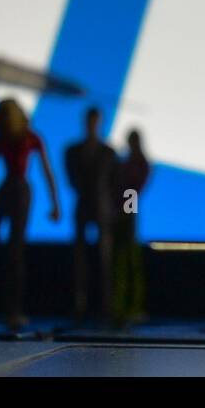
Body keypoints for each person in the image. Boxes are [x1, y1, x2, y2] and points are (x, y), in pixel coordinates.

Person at [0, 99, 60, 328]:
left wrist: (56, 205)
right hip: (5, 189)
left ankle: (13, 312)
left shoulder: (32, 138)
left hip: (21, 192)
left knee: (15, 252)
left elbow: (47, 172)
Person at [65, 107, 119, 321]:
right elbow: (71, 178)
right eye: (90, 121)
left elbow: (115, 182)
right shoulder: (73, 151)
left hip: (102, 207)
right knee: (80, 257)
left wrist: (117, 207)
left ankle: (106, 303)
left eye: (95, 121)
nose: (92, 125)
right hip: (83, 205)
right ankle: (80, 302)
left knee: (105, 257)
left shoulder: (108, 152)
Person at [112, 129, 151, 326]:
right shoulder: (127, 163)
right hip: (122, 213)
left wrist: (126, 209)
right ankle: (119, 307)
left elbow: (133, 189)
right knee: (121, 260)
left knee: (129, 260)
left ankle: (133, 307)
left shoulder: (138, 164)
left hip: (128, 214)